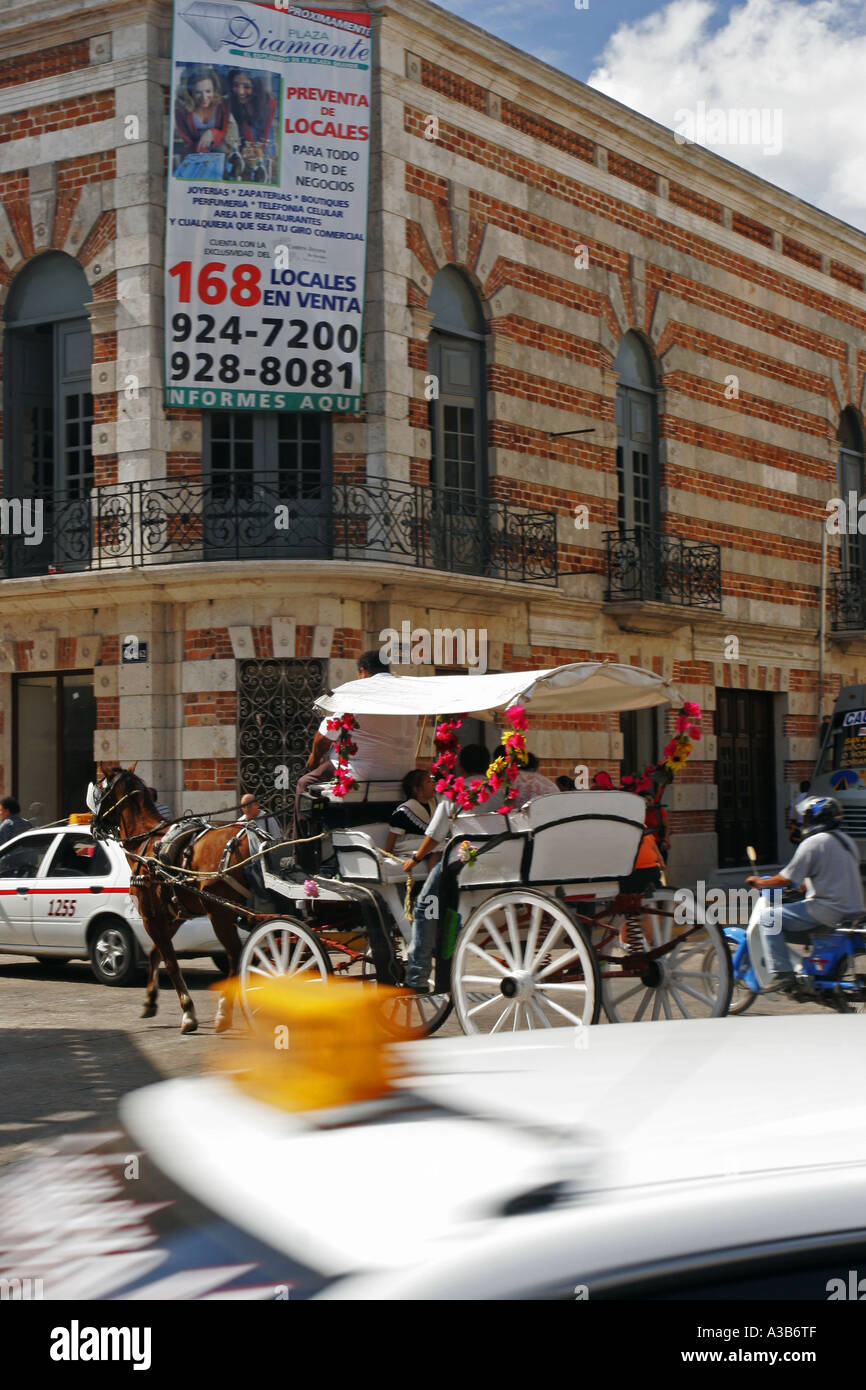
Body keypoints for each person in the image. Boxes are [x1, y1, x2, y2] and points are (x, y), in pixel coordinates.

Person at [291, 650, 417, 841]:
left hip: (361, 774)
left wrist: (314, 760)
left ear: (363, 672)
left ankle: (301, 854)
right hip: (402, 775)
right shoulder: (408, 696)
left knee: (304, 783)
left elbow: (323, 738)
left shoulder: (358, 693)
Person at [398, 744, 493, 992]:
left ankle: (417, 977)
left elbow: (436, 834)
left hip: (462, 862)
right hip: (499, 858)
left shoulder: (457, 791)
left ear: (461, 765)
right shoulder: (501, 789)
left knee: (425, 905)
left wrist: (416, 858)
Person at [747, 795, 866, 988]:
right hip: (854, 909)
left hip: (827, 909)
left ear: (816, 818)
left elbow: (786, 879)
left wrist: (759, 882)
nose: (805, 822)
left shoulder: (813, 843)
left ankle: (784, 974)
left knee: (769, 918)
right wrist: (804, 886)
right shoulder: (846, 841)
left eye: (807, 817)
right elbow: (828, 873)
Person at [385, 769, 438, 857]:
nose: (433, 784)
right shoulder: (404, 811)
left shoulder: (433, 803)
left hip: (423, 844)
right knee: (435, 845)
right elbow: (390, 842)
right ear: (418, 789)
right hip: (406, 847)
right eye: (429, 782)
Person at [175, 69, 229, 155]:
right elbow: (187, 141)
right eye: (198, 92)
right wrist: (202, 151)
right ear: (190, 93)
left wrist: (212, 133)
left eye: (208, 91)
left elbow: (225, 131)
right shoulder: (181, 110)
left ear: (214, 89)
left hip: (219, 148)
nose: (204, 98)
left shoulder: (222, 104)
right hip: (195, 151)